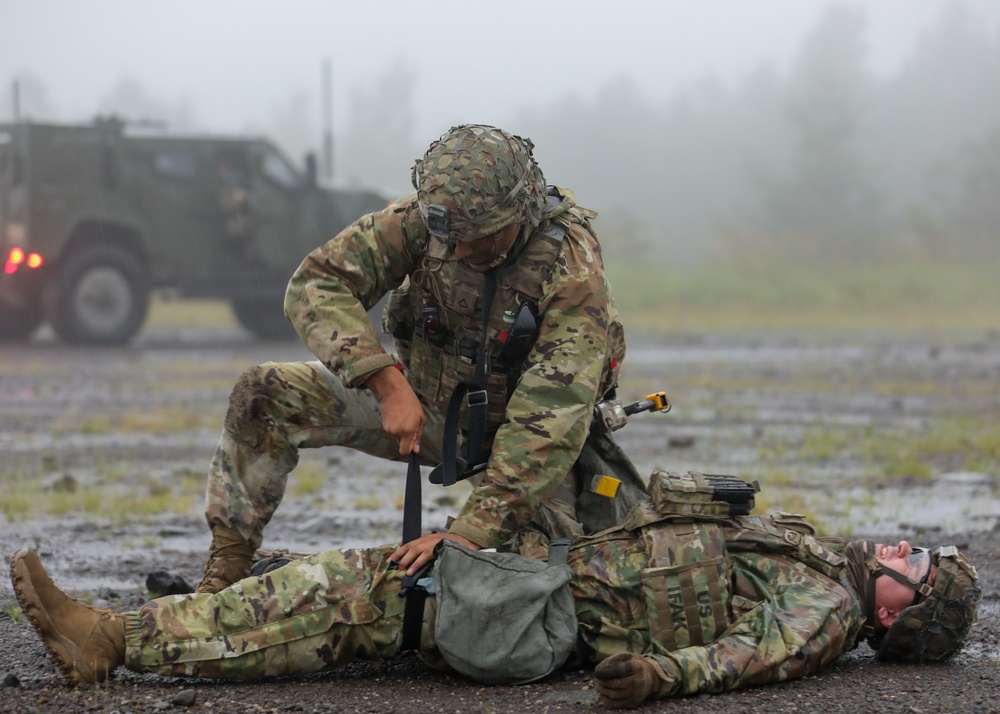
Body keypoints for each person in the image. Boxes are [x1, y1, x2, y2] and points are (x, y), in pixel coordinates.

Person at [10, 470, 980, 708]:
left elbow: (741, 659)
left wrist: (658, 677)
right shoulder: (813, 552)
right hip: (555, 563)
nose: (907, 546)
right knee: (349, 588)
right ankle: (158, 623)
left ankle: (112, 641)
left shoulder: (824, 610)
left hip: (542, 610)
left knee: (350, 597)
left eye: (921, 564)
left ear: (902, 611)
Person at [196, 123, 637, 594]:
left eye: (476, 237)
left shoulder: (572, 274)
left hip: (518, 444)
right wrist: (386, 383)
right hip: (424, 407)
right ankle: (227, 571)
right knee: (264, 393)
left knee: (545, 577)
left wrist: (467, 533)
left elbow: (546, 423)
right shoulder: (427, 220)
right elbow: (315, 284)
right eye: (450, 235)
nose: (459, 249)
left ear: (516, 215)